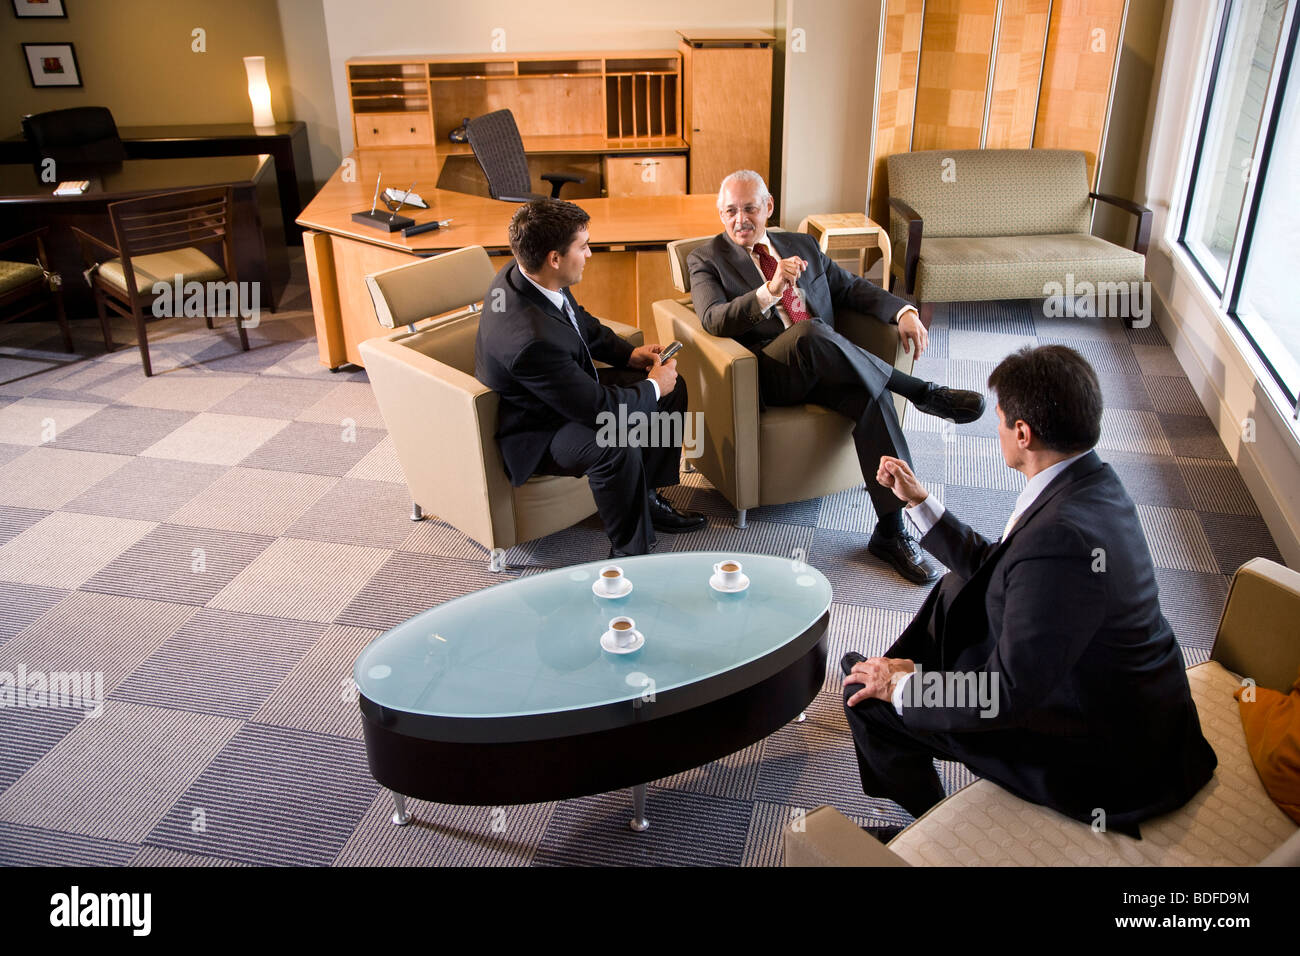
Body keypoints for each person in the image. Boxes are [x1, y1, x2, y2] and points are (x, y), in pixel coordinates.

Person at [841, 345, 1218, 839]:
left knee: (862, 693)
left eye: (999, 420)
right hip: (1106, 698)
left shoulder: (1062, 541)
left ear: (1023, 433)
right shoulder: (1092, 481)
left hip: (1097, 757)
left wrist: (905, 687)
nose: (997, 431)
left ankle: (932, 835)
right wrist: (920, 502)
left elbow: (1005, 695)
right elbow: (1000, 565)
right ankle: (910, 685)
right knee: (954, 592)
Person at [688, 170, 985, 585]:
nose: (740, 220)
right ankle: (922, 392)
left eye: (749, 208)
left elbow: (851, 289)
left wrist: (904, 311)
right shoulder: (706, 259)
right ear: (720, 214)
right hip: (768, 375)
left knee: (872, 397)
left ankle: (891, 531)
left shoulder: (802, 244)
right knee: (808, 332)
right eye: (730, 211)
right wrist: (770, 290)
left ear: (768, 207)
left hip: (829, 362)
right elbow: (713, 319)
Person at [475, 198, 705, 557]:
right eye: (583, 247)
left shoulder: (527, 272)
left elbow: (578, 320)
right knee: (617, 441)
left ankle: (647, 500)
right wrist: (653, 386)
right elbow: (601, 410)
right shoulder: (529, 339)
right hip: (542, 428)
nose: (590, 254)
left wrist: (629, 355)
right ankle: (631, 553)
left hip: (565, 392)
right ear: (555, 258)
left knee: (673, 390)